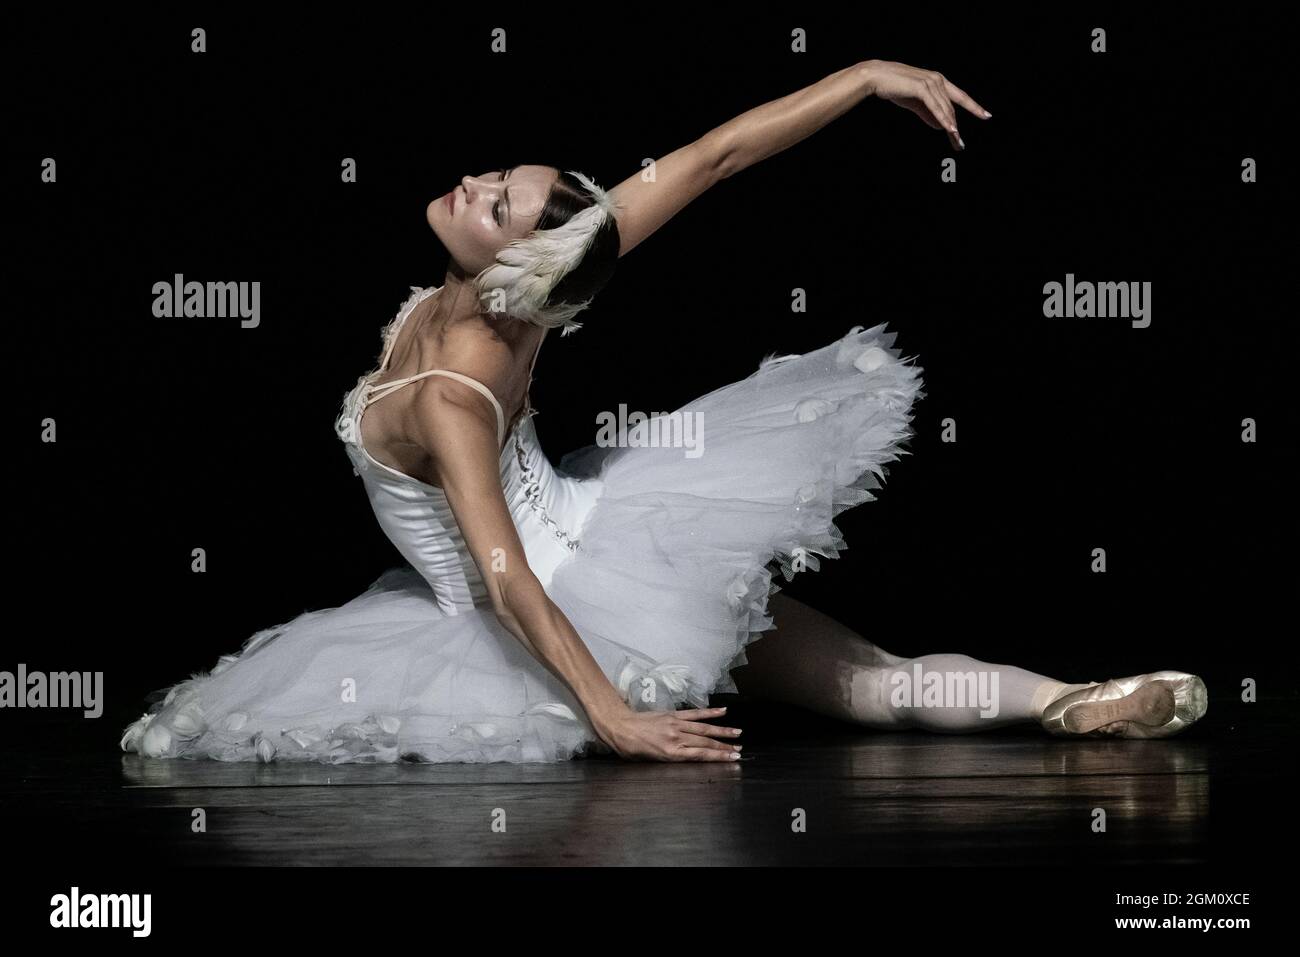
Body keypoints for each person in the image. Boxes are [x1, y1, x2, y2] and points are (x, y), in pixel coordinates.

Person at [120, 59, 1206, 764]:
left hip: (555, 615)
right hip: (626, 551)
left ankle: (1075, 700)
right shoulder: (539, 285)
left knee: (857, 680)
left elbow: (503, 582)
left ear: (526, 265)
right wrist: (864, 77)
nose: (474, 183)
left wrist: (610, 713)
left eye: (497, 199)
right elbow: (712, 158)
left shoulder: (455, 385)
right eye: (496, 178)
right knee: (861, 680)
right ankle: (1065, 699)